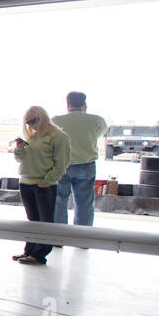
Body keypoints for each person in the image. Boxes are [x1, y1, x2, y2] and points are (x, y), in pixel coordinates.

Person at [12, 106, 71, 265]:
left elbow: (61, 164)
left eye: (33, 120)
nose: (31, 125)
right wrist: (19, 148)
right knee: (32, 220)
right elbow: (20, 158)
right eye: (28, 122)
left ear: (43, 116)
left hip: (43, 185)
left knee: (45, 222)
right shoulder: (32, 136)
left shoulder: (58, 136)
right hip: (26, 182)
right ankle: (29, 251)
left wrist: (46, 182)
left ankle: (40, 254)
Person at [52, 91, 108, 226]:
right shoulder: (97, 120)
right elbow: (100, 133)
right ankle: (82, 237)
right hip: (86, 165)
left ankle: (58, 236)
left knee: (59, 201)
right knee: (85, 202)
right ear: (84, 104)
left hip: (61, 165)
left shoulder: (55, 120)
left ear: (67, 103)